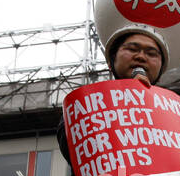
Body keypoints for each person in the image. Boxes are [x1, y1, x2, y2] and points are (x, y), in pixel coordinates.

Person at [55, 31, 166, 168]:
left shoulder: (176, 114)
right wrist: (129, 94)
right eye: (132, 49)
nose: (141, 57)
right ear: (110, 62)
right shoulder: (84, 105)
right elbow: (72, 149)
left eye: (151, 53)